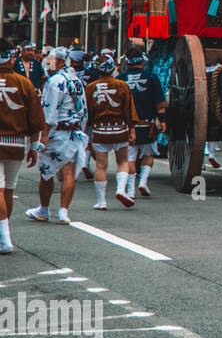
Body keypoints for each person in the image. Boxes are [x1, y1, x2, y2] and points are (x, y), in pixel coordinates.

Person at [25, 48, 88, 225]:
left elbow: (48, 110)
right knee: (68, 172)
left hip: (56, 132)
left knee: (46, 172)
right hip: (73, 131)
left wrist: (43, 135)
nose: (49, 62)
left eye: (53, 59)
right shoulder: (76, 81)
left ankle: (44, 209)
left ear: (62, 62)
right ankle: (63, 212)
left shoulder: (54, 82)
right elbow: (83, 108)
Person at [0, 42, 45, 253]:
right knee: (8, 187)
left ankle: (4, 238)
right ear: (11, 58)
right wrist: (34, 146)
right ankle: (4, 233)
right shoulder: (24, 83)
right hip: (17, 143)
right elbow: (35, 119)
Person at [84, 50, 141, 210]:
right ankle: (121, 190)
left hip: (100, 129)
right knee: (123, 161)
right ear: (112, 68)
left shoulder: (90, 87)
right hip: (119, 128)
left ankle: (101, 201)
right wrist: (132, 128)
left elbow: (87, 112)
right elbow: (128, 109)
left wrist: (86, 131)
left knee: (101, 166)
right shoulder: (122, 85)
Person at [122, 51, 166, 198]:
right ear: (142, 62)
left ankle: (130, 190)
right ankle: (143, 182)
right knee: (148, 154)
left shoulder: (120, 79)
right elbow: (160, 104)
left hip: (127, 126)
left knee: (130, 158)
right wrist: (163, 120)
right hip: (147, 124)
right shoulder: (152, 77)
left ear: (127, 63)